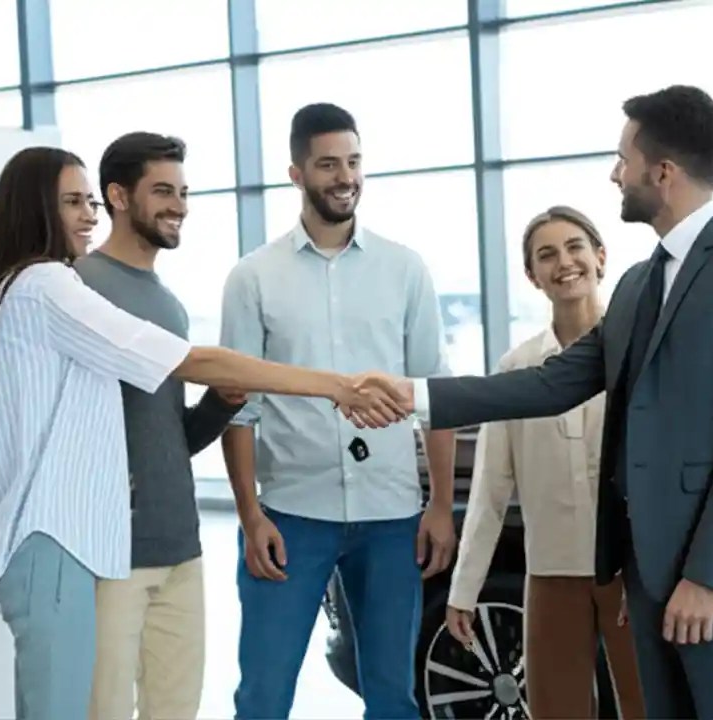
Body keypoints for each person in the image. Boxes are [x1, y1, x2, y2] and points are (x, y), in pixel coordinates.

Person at [355, 85, 713, 718]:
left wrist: (706, 578)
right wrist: (416, 395)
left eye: (624, 158)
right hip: (647, 576)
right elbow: (554, 381)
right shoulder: (638, 283)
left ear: (663, 172)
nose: (616, 173)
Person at [0, 145, 404, 720]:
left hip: (84, 540)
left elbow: (158, 425)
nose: (86, 214)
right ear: (34, 208)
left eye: (87, 200)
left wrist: (219, 401)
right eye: (71, 202)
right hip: (59, 539)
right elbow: (190, 361)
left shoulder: (30, 288)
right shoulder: (51, 286)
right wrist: (334, 385)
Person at [219, 102, 457, 719]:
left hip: (391, 512)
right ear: (296, 173)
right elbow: (237, 408)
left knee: (391, 696)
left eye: (353, 161)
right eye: (328, 164)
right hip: (292, 515)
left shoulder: (405, 269)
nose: (344, 176)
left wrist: (438, 507)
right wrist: (250, 517)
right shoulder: (253, 277)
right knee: (263, 696)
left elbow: (434, 394)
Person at [444, 206, 645, 719]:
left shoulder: (641, 354)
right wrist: (463, 590)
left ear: (600, 257)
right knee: (557, 711)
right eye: (547, 255)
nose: (564, 262)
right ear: (533, 276)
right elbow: (490, 488)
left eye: (575, 247)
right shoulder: (516, 370)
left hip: (632, 571)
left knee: (648, 706)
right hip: (553, 570)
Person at [72, 132, 234, 720]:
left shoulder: (169, 304)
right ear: (117, 195)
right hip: (109, 553)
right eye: (163, 190)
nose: (180, 205)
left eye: (184, 192)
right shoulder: (78, 286)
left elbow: (171, 437)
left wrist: (221, 403)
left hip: (180, 547)